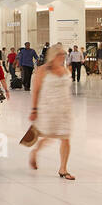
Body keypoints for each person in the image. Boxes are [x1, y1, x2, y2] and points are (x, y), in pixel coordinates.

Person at [28, 43, 74, 179]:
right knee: (50, 135)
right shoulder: (42, 70)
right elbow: (35, 91)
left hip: (64, 109)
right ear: (53, 56)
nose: (63, 57)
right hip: (48, 108)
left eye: (64, 55)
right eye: (60, 54)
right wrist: (34, 109)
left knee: (65, 137)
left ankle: (63, 169)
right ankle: (35, 152)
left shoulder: (65, 70)